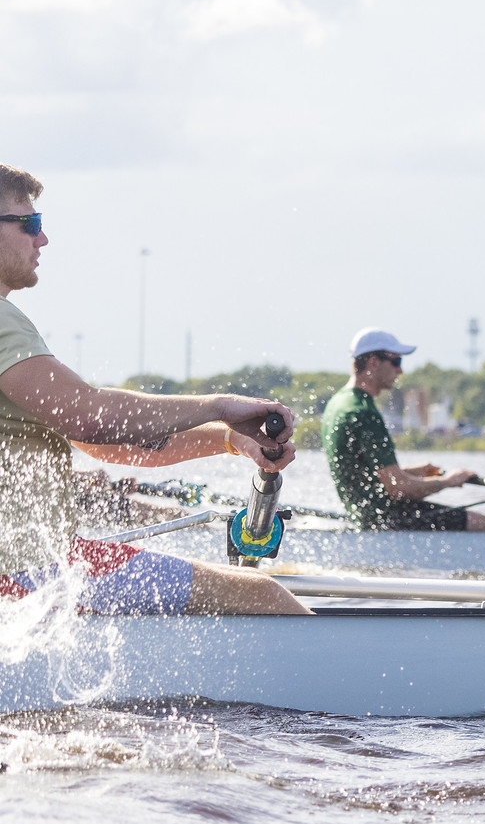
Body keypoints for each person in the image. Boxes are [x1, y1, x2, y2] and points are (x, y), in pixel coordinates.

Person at [0, 163, 308, 615]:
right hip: (31, 572)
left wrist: (230, 438)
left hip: (30, 568)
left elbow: (105, 443)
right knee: (262, 595)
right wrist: (219, 406)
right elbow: (90, 416)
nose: (42, 239)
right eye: (30, 223)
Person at [321, 328, 485, 532]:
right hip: (392, 518)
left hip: (366, 516)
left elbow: (366, 477)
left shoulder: (337, 404)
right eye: (396, 362)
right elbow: (397, 489)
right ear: (373, 362)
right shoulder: (363, 412)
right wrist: (448, 481)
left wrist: (419, 472)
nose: (400, 370)